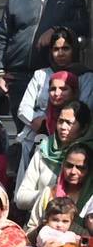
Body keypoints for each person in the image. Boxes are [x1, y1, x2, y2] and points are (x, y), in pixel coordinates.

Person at [0, 0, 91, 110]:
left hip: (54, 76)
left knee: (50, 128)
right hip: (18, 76)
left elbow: (84, 26)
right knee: (23, 129)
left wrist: (56, 29)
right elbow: (2, 37)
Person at [15, 29, 93, 178]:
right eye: (56, 49)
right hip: (39, 129)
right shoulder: (41, 75)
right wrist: (42, 122)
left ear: (74, 50)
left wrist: (60, 125)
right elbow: (24, 108)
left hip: (73, 132)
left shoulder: (85, 76)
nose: (61, 53)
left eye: (65, 48)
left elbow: (85, 107)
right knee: (28, 145)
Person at [16, 100, 93, 214]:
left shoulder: (88, 156)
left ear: (83, 127)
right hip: (42, 220)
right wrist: (48, 195)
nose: (63, 127)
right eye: (60, 121)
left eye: (69, 123)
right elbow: (20, 199)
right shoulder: (43, 151)